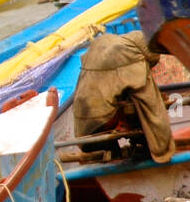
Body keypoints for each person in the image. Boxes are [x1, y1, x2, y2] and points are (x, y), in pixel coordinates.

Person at [73, 31, 173, 163]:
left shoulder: (105, 44)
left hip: (85, 129)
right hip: (105, 123)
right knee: (139, 111)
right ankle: (145, 150)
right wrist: (162, 145)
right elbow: (150, 103)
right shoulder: (131, 56)